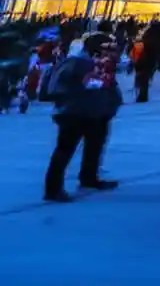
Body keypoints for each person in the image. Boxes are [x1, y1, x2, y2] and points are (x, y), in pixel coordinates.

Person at [42, 33, 122, 202]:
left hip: (96, 114)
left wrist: (111, 104)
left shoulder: (101, 65)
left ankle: (89, 177)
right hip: (75, 114)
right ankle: (53, 189)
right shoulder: (76, 63)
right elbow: (58, 86)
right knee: (64, 150)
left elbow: (108, 87)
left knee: (95, 147)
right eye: (107, 48)